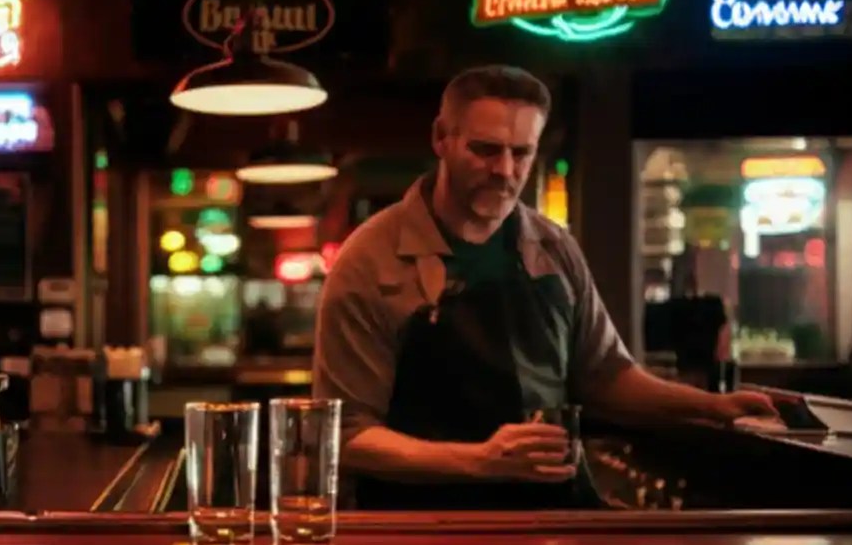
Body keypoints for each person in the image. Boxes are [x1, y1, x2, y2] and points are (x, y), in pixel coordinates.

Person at [312, 65, 777, 510]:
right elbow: (347, 436)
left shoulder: (553, 248)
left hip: (555, 513)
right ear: (441, 138)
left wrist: (716, 408)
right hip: (426, 527)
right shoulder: (369, 262)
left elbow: (605, 376)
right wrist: (481, 462)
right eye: (485, 150)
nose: (506, 170)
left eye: (522, 152)